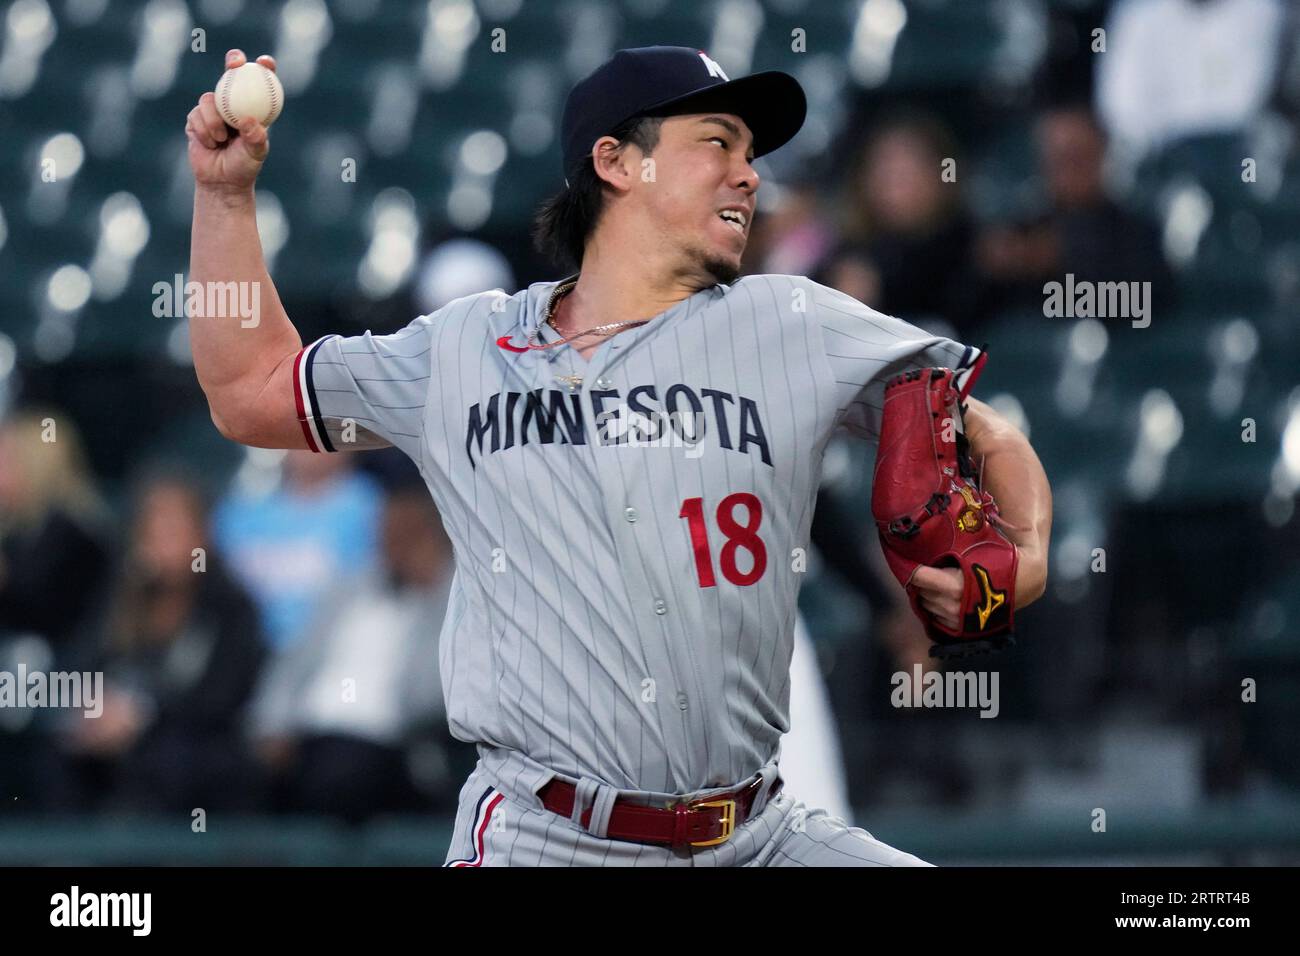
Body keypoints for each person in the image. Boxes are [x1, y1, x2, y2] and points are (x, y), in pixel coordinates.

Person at [184, 46, 1052, 866]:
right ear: (616, 162)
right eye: (718, 143)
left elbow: (987, 430)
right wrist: (225, 200)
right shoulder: (462, 351)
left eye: (751, 152)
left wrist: (1030, 559)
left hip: (756, 835)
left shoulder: (794, 323)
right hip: (546, 837)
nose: (749, 174)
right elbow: (250, 388)